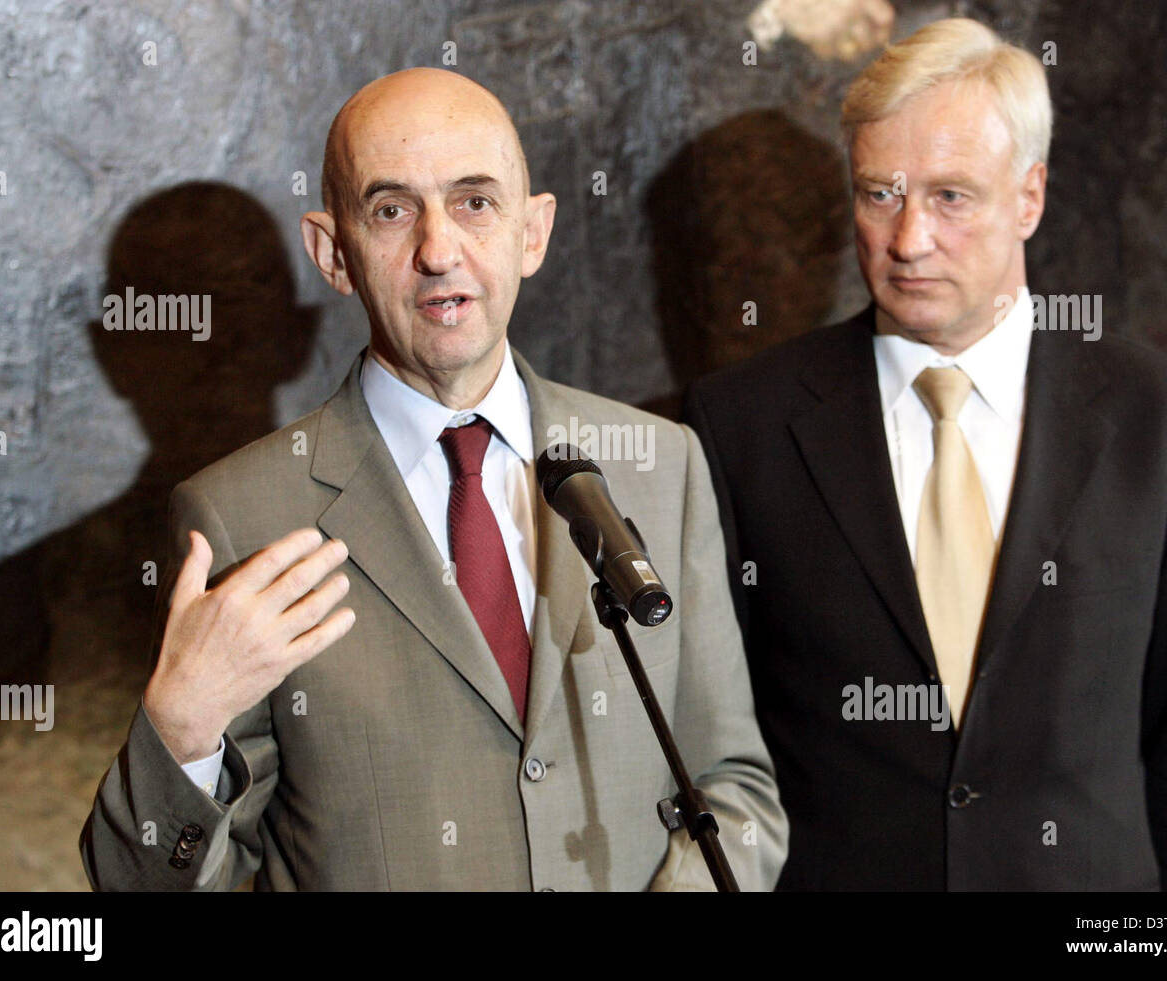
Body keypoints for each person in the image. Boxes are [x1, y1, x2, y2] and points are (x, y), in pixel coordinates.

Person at [80, 68, 786, 891]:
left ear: (534, 231)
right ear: (333, 252)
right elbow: (139, 885)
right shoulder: (241, 518)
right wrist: (180, 728)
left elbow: (736, 790)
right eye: (391, 210)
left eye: (475, 201)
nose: (438, 249)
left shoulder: (662, 465)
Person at [684, 18, 1167, 890]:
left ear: (1030, 196)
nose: (909, 240)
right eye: (879, 194)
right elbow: (721, 729)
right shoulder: (739, 425)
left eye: (951, 196)